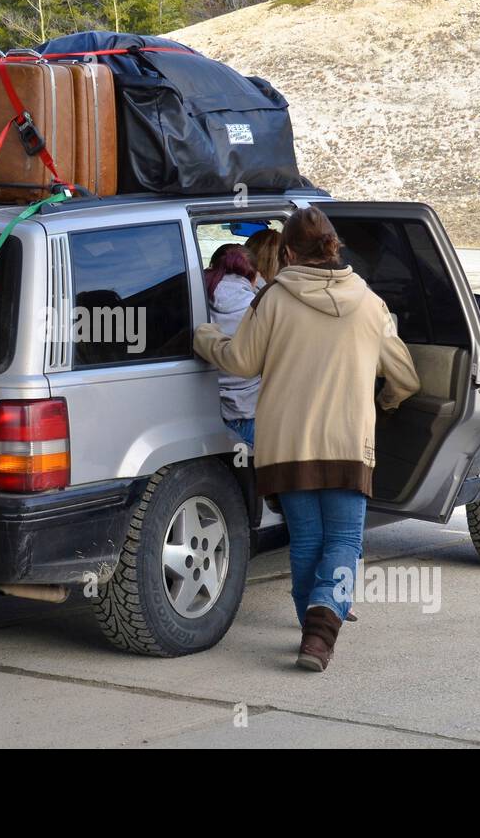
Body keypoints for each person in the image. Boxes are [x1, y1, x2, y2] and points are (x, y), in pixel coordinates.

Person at [194, 205, 420, 672]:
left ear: (290, 251)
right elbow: (405, 377)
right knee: (343, 542)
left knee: (307, 541)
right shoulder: (369, 302)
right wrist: (389, 403)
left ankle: (312, 633)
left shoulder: (273, 299)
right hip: (347, 443)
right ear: (333, 245)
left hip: (287, 444)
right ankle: (321, 631)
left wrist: (204, 337)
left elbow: (239, 362)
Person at [203, 244, 260, 447]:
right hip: (250, 412)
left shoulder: (197, 300)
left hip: (209, 411)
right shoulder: (259, 308)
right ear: (253, 277)